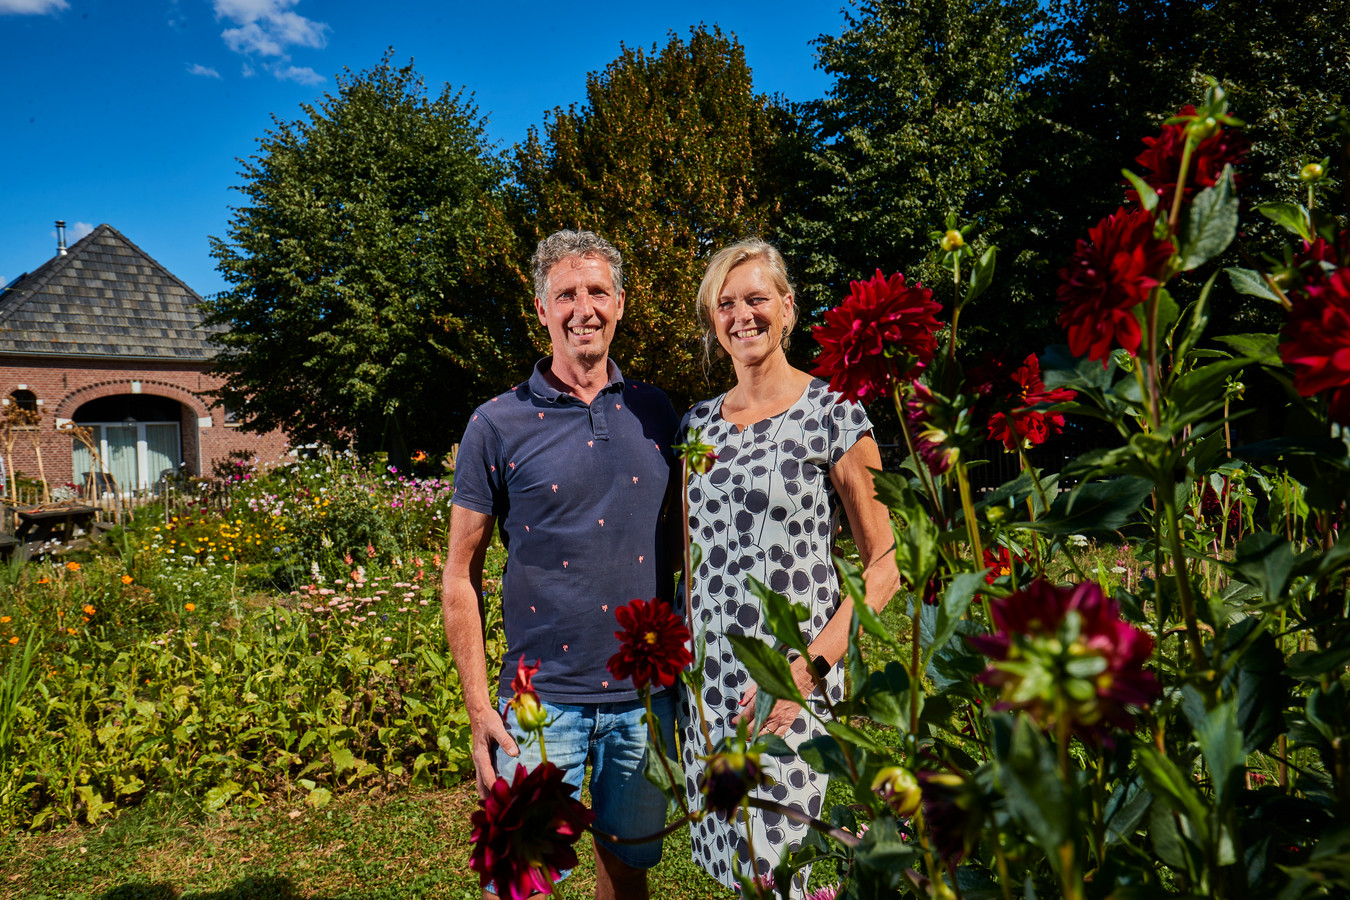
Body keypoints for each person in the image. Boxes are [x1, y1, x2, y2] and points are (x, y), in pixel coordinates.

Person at [443, 230, 679, 900]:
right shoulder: (496, 424)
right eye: (566, 293)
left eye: (597, 291)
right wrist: (478, 708)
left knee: (628, 873)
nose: (584, 307)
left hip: (643, 705)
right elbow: (459, 575)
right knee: (518, 881)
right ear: (541, 309)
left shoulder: (657, 413)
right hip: (538, 708)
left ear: (621, 304)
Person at [677, 239, 900, 896]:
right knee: (741, 871)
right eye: (726, 304)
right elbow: (695, 563)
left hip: (796, 689)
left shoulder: (834, 410)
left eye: (755, 299)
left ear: (787, 308)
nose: (742, 316)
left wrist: (804, 675)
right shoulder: (696, 426)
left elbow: (884, 566)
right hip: (712, 693)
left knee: (800, 872)